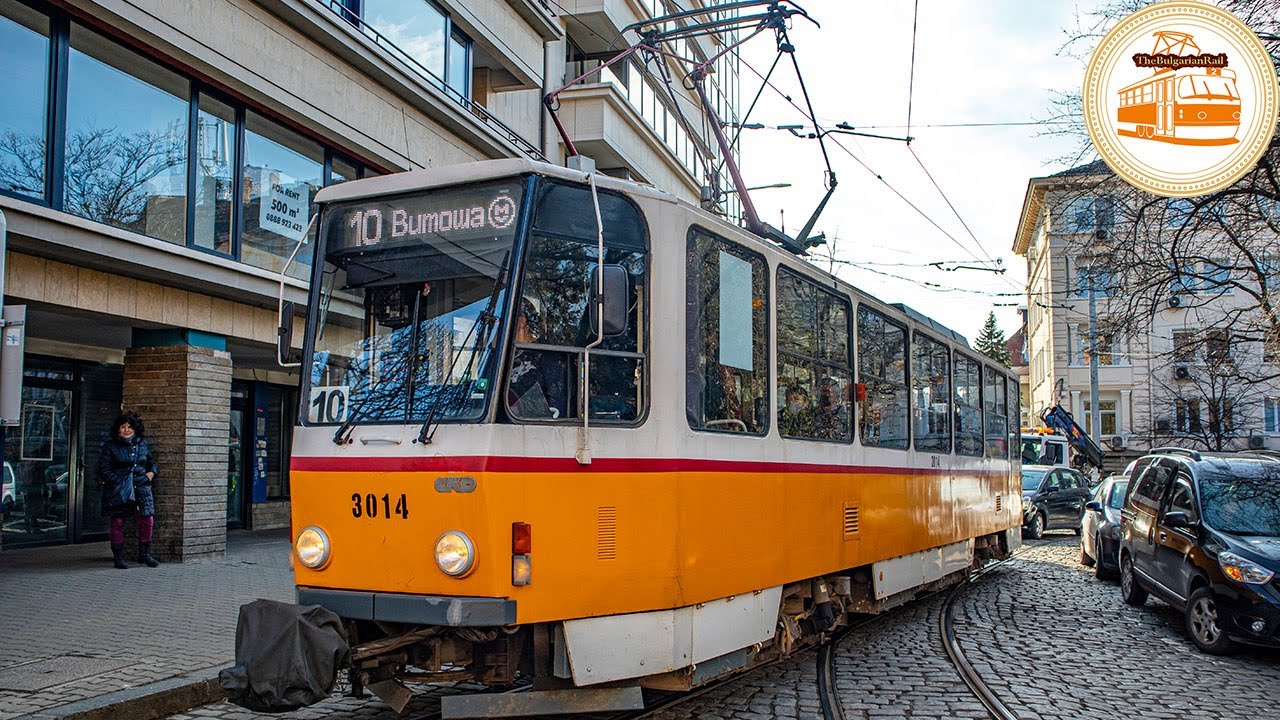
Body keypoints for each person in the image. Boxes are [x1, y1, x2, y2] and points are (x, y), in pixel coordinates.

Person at [99, 412, 159, 569]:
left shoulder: (142, 445)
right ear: (118, 429)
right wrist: (119, 480)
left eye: (130, 427)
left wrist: (151, 474)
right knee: (118, 522)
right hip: (119, 489)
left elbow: (151, 463)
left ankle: (144, 554)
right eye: (123, 427)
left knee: (147, 520)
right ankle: (118, 557)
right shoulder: (110, 446)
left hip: (141, 487)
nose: (126, 430)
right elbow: (103, 469)